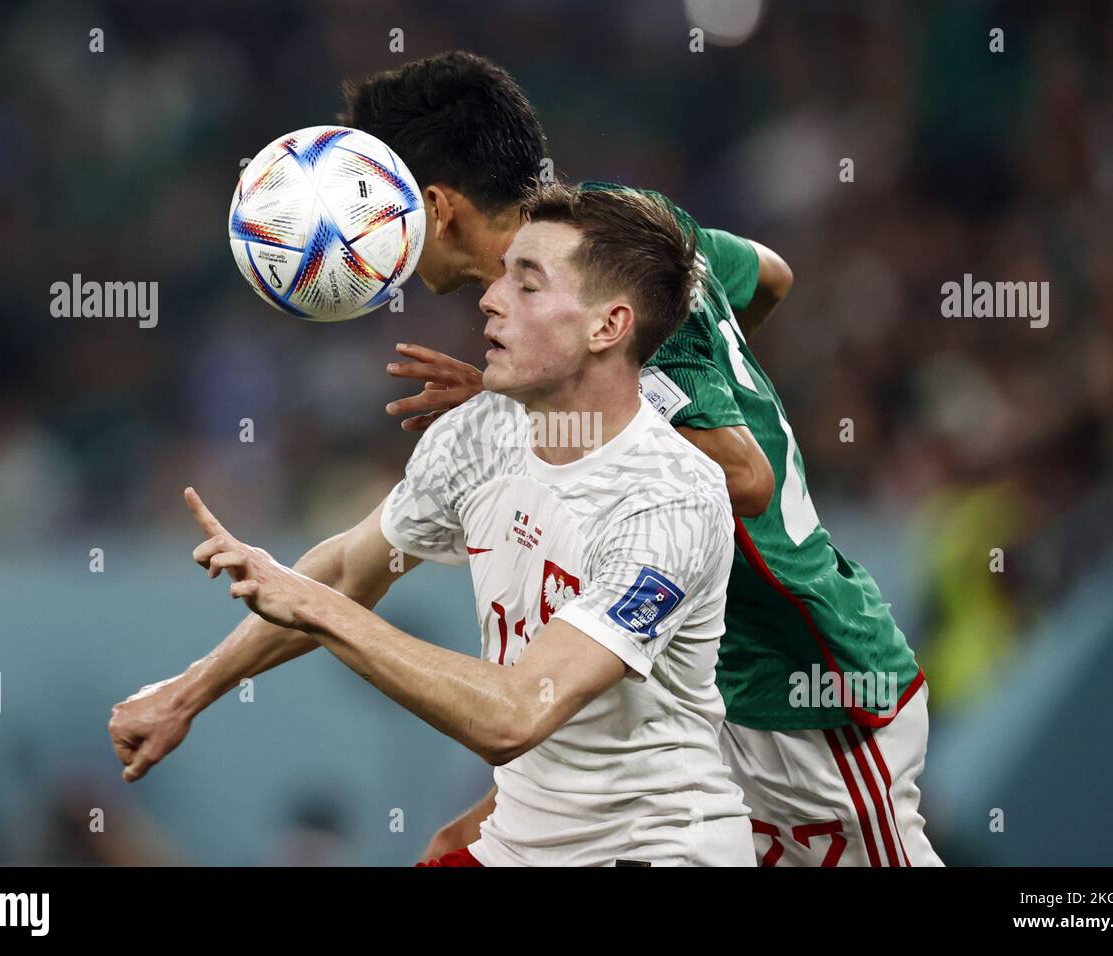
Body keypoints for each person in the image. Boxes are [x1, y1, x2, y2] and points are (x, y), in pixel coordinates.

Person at [346, 51, 940, 867]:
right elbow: (769, 273)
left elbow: (745, 477)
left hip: (801, 684)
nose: (377, 246)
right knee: (460, 848)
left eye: (381, 208)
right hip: (681, 695)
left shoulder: (607, 281)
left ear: (437, 206)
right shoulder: (618, 249)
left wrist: (530, 405)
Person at [109, 184, 755, 867]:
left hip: (654, 849)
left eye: (528, 286)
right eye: (505, 273)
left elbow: (514, 715)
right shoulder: (481, 433)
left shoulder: (669, 498)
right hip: (520, 842)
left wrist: (317, 607)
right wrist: (187, 692)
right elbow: (348, 571)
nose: (491, 297)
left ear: (608, 326)